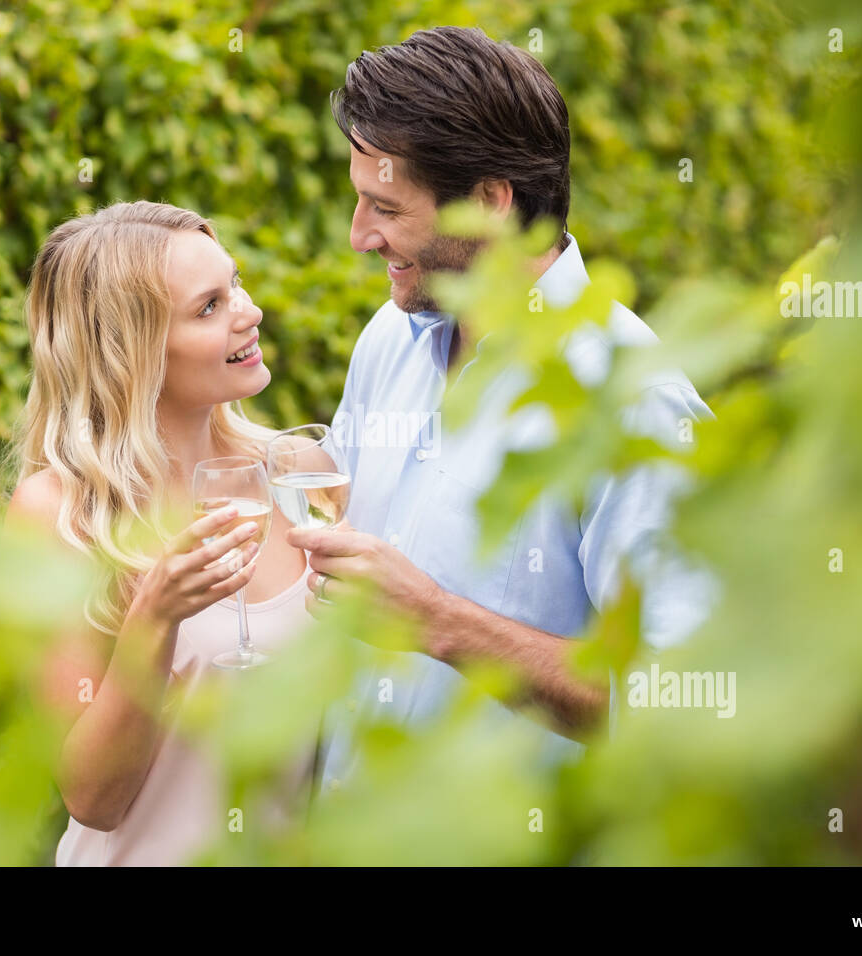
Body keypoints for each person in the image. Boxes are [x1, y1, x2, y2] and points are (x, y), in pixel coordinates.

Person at [290, 27, 718, 792]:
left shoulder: (633, 401)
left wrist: (441, 620)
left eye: (384, 206)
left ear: (489, 201)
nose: (359, 237)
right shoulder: (388, 338)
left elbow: (681, 708)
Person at [2, 201, 313, 865]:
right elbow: (92, 798)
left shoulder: (301, 474)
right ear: (131, 351)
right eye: (209, 306)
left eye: (237, 284)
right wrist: (156, 615)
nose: (249, 312)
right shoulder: (56, 514)